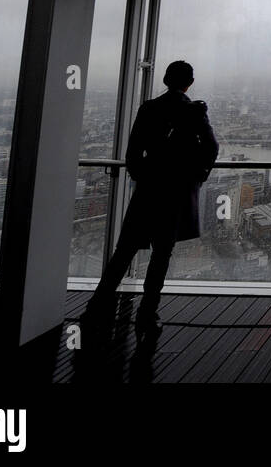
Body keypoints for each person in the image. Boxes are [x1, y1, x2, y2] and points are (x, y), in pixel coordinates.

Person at [83, 60, 219, 335]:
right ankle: (148, 311)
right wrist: (197, 176)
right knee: (162, 254)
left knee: (125, 249)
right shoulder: (193, 111)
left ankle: (97, 305)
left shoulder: (149, 108)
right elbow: (211, 147)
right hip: (176, 191)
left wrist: (142, 176)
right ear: (189, 83)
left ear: (166, 79)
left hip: (148, 189)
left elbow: (133, 152)